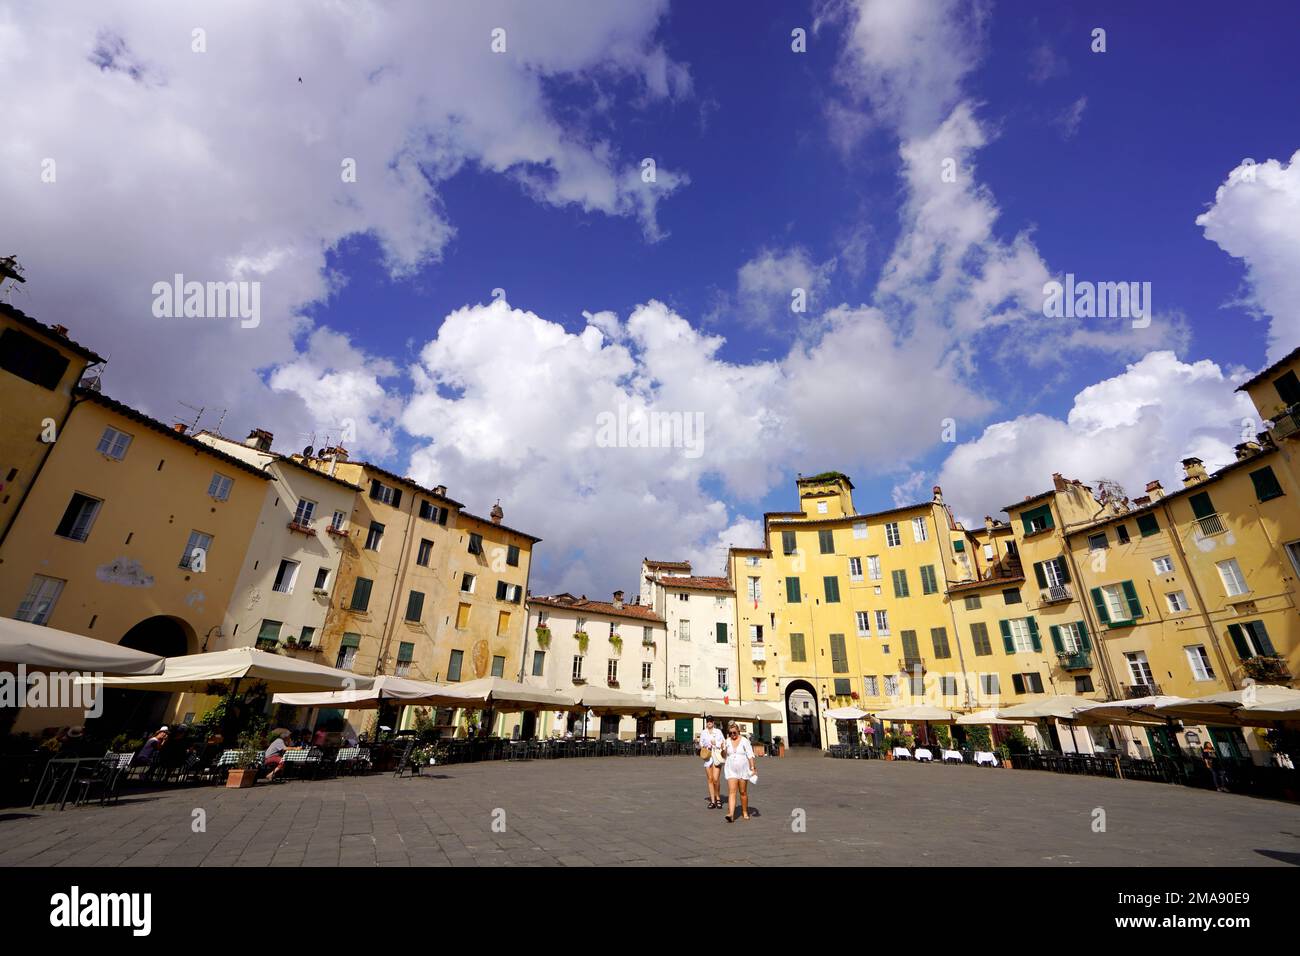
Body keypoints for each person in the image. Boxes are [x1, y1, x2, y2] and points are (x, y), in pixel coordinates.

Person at [722, 721, 757, 822]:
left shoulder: (744, 741)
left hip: (743, 770)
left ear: (738, 731)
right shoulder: (727, 741)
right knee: (732, 792)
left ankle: (745, 811)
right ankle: (731, 814)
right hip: (731, 769)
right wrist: (722, 749)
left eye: (734, 733)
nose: (732, 735)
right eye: (730, 733)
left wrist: (753, 768)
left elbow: (750, 755)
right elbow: (723, 756)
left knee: (742, 792)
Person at [698, 716, 725, 809]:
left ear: (713, 722)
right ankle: (713, 801)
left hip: (716, 756)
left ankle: (718, 798)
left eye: (710, 721)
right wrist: (705, 745)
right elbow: (700, 743)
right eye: (707, 721)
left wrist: (715, 744)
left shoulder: (718, 732)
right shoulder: (703, 732)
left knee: (715, 779)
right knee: (710, 779)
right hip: (708, 756)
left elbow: (723, 743)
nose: (709, 722)